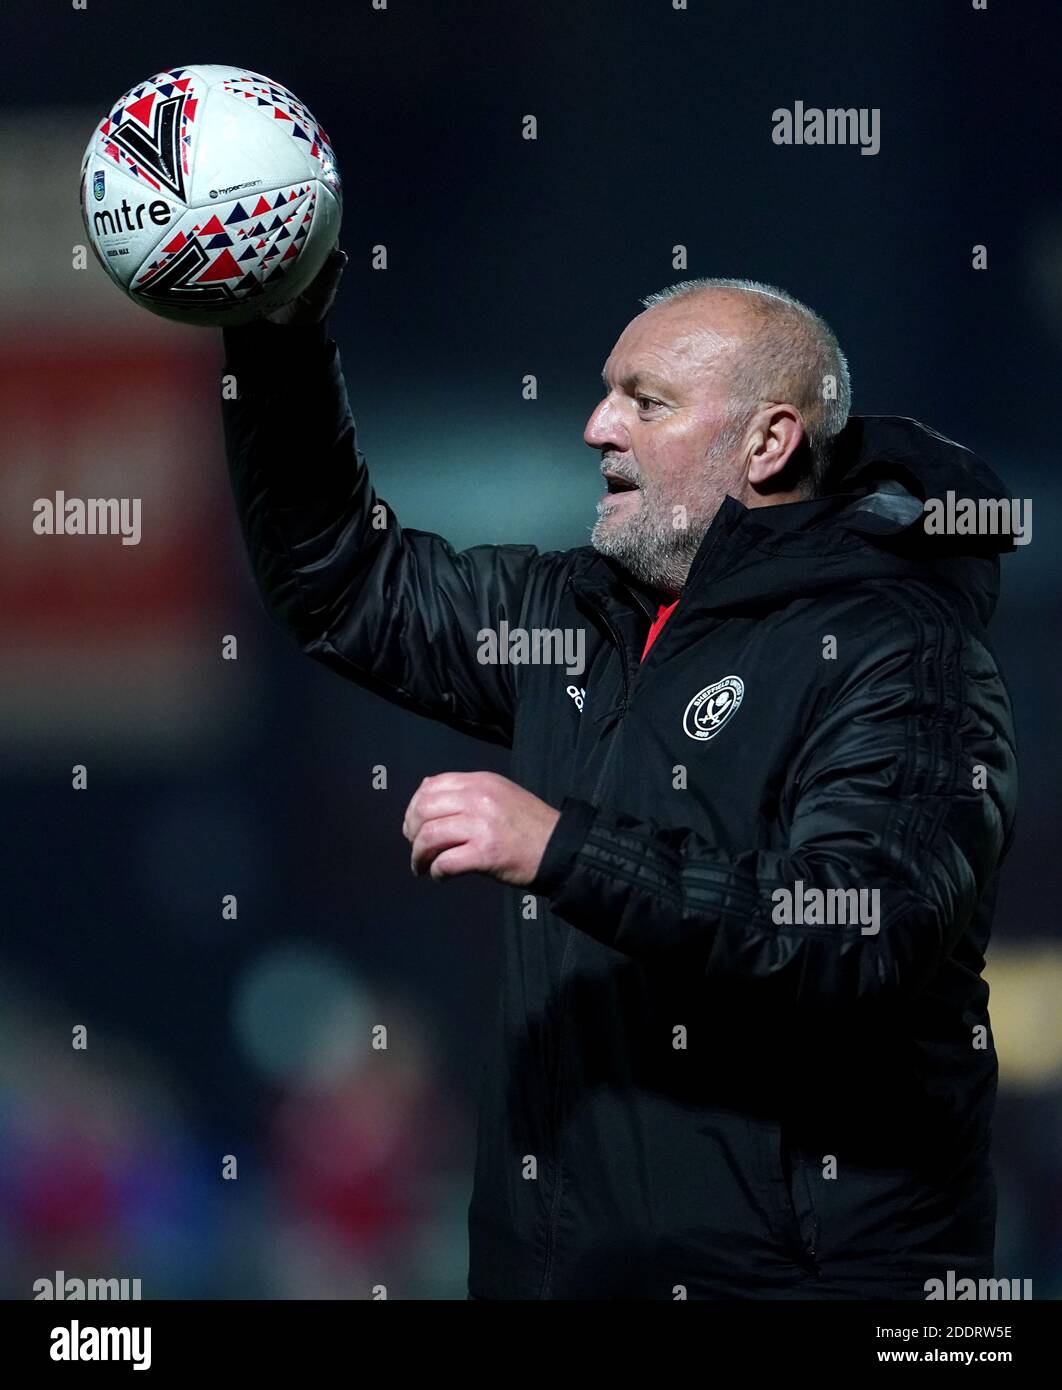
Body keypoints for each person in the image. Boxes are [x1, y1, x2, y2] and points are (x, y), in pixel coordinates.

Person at [219, 251, 1018, 1300]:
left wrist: (563, 845)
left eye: (646, 402)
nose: (598, 426)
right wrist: (277, 330)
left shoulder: (900, 653)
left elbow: (860, 927)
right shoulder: (573, 621)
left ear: (769, 441)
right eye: (606, 394)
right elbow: (342, 584)